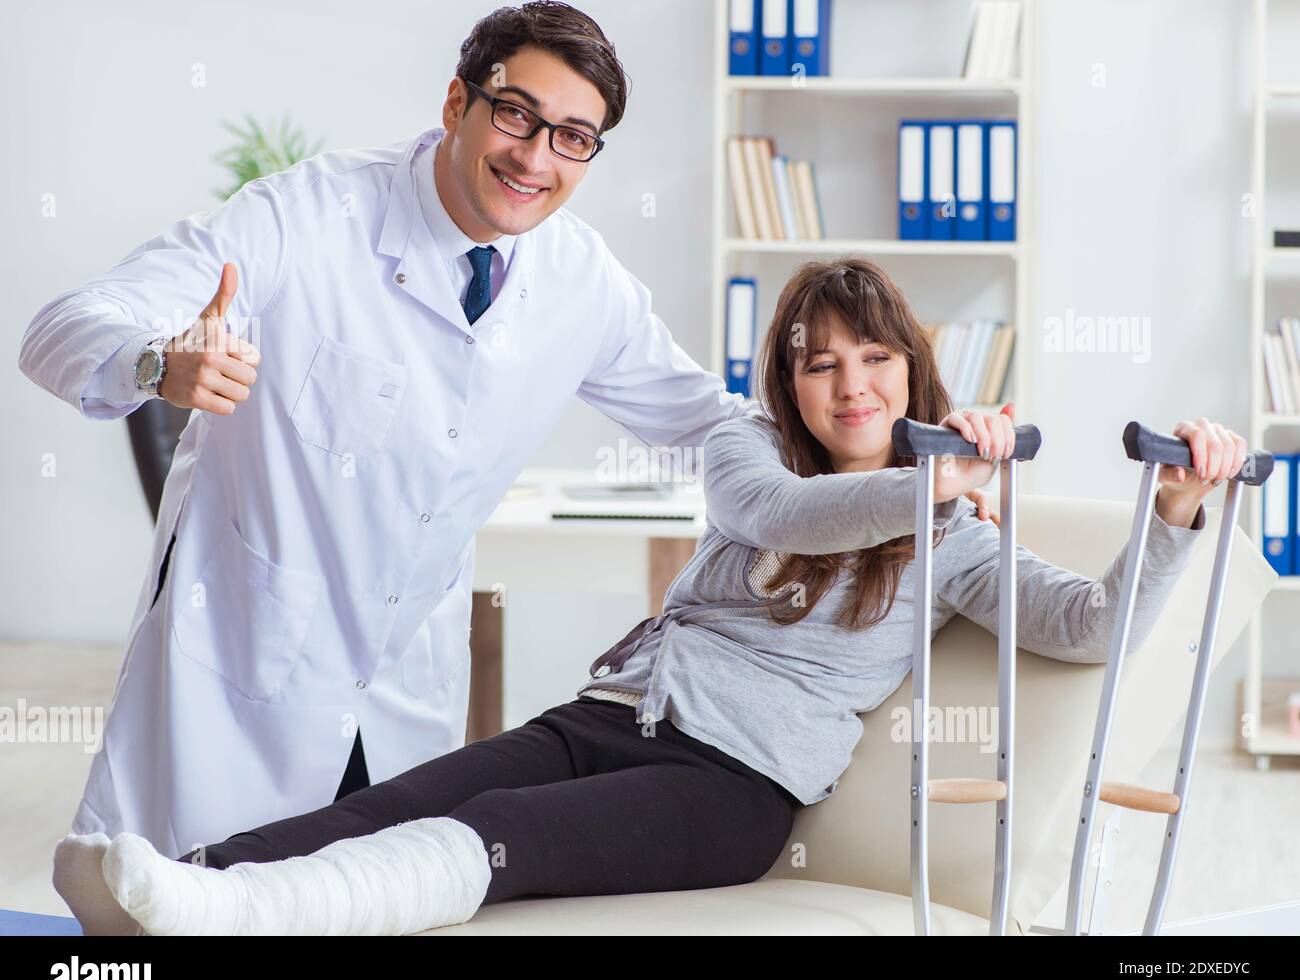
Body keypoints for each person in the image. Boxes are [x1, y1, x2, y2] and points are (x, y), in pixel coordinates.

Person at [52, 256, 1247, 936]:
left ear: (912, 370)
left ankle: (212, 915)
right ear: (786, 380)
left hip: (729, 786)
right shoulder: (750, 458)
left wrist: (1177, 512)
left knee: (473, 841)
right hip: (608, 715)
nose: (849, 384)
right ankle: (165, 890)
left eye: (874, 359)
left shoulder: (961, 538)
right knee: (394, 798)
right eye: (817, 360)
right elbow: (786, 521)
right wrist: (933, 486)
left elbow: (1093, 630)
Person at [22, 2, 764, 859]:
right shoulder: (303, 217)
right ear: (458, 103)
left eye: (573, 137)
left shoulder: (580, 280)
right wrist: (157, 364)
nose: (535, 157)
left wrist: (899, 463)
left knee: (366, 901)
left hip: (407, 695)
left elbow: (710, 424)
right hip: (236, 685)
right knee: (178, 909)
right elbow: (65, 325)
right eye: (516, 113)